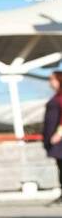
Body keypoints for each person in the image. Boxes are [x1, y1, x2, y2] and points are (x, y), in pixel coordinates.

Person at [42, 69, 62, 201]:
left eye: (51, 79)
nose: (49, 82)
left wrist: (60, 133)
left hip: (59, 138)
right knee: (60, 166)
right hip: (53, 138)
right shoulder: (56, 96)